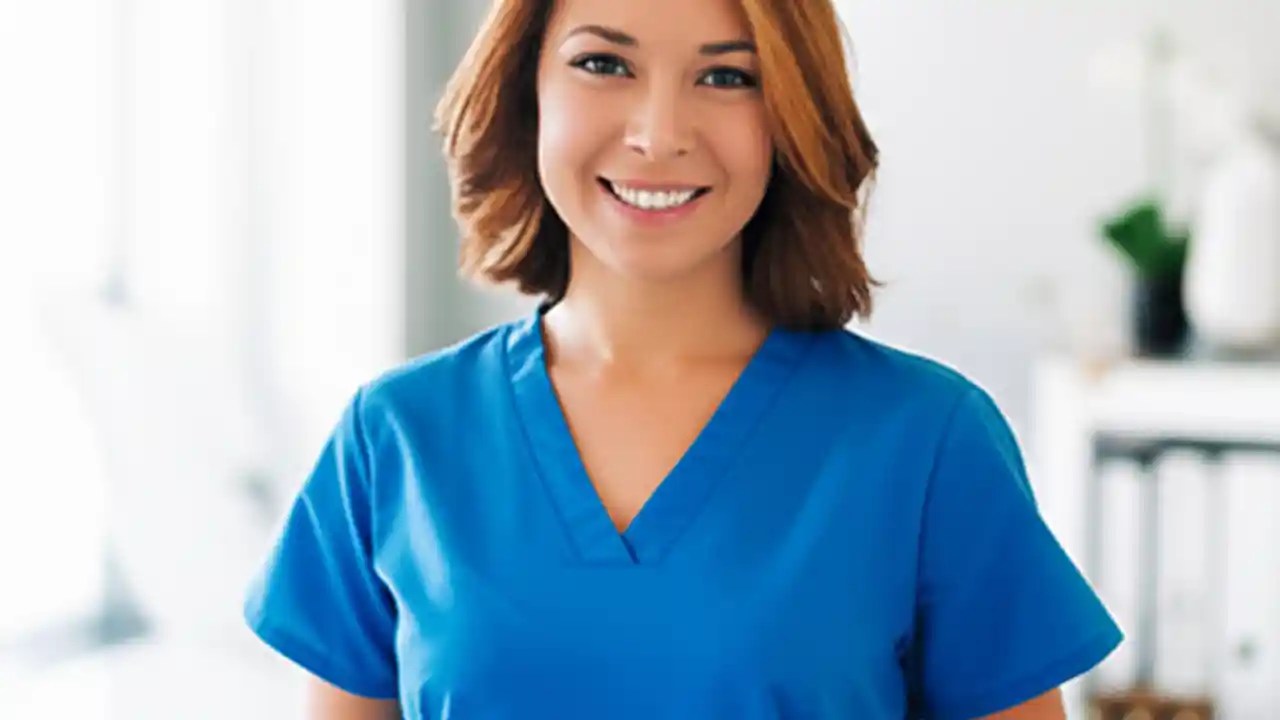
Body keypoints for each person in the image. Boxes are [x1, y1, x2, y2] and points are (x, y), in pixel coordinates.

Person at [242, 0, 1124, 717]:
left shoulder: (928, 445)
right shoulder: (395, 440)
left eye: (727, 76)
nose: (659, 133)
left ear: (791, 117)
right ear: (527, 90)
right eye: (604, 63)